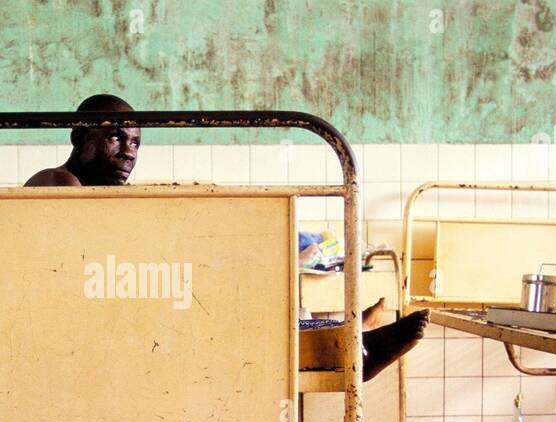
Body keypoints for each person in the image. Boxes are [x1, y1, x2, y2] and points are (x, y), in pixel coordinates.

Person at [27, 95, 428, 378]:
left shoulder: (106, 195)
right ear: (79, 137)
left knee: (245, 282)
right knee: (223, 301)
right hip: (82, 320)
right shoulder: (57, 181)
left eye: (135, 142)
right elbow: (85, 273)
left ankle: (340, 337)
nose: (128, 152)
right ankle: (346, 342)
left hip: (114, 308)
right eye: (115, 137)